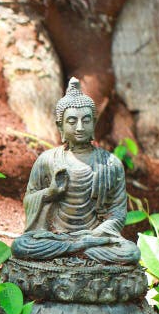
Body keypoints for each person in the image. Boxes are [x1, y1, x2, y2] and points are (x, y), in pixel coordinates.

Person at [11, 78, 141, 264]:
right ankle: (77, 250)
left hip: (95, 237)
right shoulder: (47, 161)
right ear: (60, 126)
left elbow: (118, 214)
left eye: (86, 120)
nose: (79, 127)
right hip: (55, 238)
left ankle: (75, 251)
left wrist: (93, 235)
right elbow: (30, 200)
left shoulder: (111, 163)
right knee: (22, 246)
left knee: (130, 252)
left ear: (94, 123)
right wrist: (50, 193)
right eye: (72, 121)